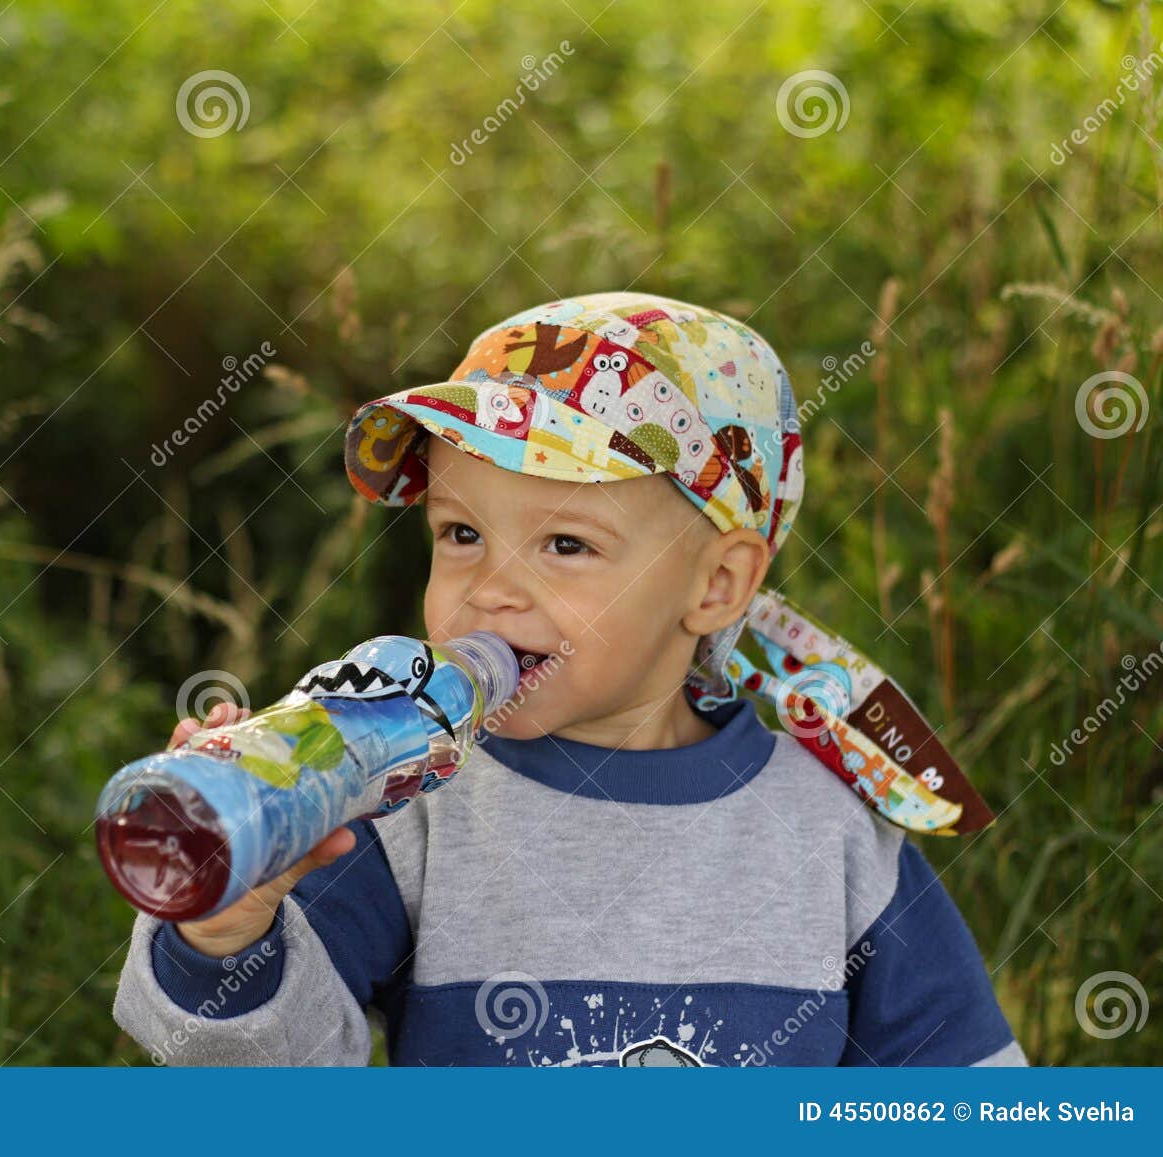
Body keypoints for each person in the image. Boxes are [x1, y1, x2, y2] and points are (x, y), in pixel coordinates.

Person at [111, 290, 1027, 1067]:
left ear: (717, 584)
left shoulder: (829, 837)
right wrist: (226, 934)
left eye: (565, 543)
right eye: (461, 534)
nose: (491, 591)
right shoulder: (407, 807)